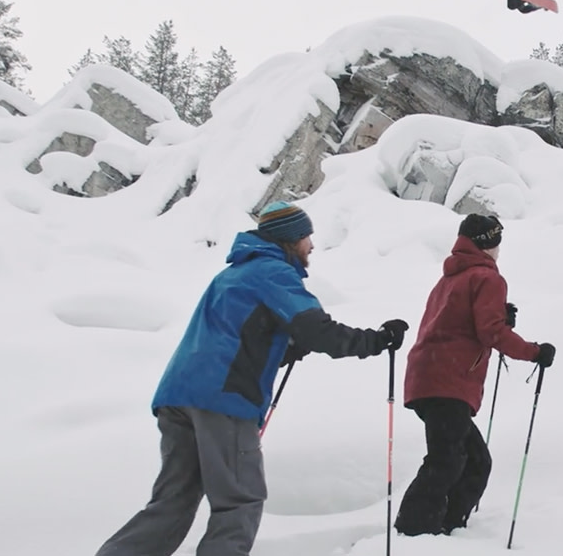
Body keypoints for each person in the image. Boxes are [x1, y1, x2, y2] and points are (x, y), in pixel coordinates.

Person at [95, 201, 410, 556]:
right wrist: (376, 340)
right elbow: (317, 330)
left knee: (173, 502)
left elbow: (237, 337)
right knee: (240, 500)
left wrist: (287, 348)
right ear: (291, 239)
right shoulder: (273, 272)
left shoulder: (232, 275)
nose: (311, 245)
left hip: (178, 396)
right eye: (307, 236)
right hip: (224, 400)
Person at [393, 213, 556, 537]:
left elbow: (459, 323)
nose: (499, 249)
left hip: (428, 376)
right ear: (488, 243)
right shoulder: (486, 277)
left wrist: (499, 317)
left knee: (473, 461)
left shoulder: (450, 278)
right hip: (448, 380)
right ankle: (413, 533)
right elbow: (490, 332)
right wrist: (535, 352)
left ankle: (445, 530)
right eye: (498, 242)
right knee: (449, 460)